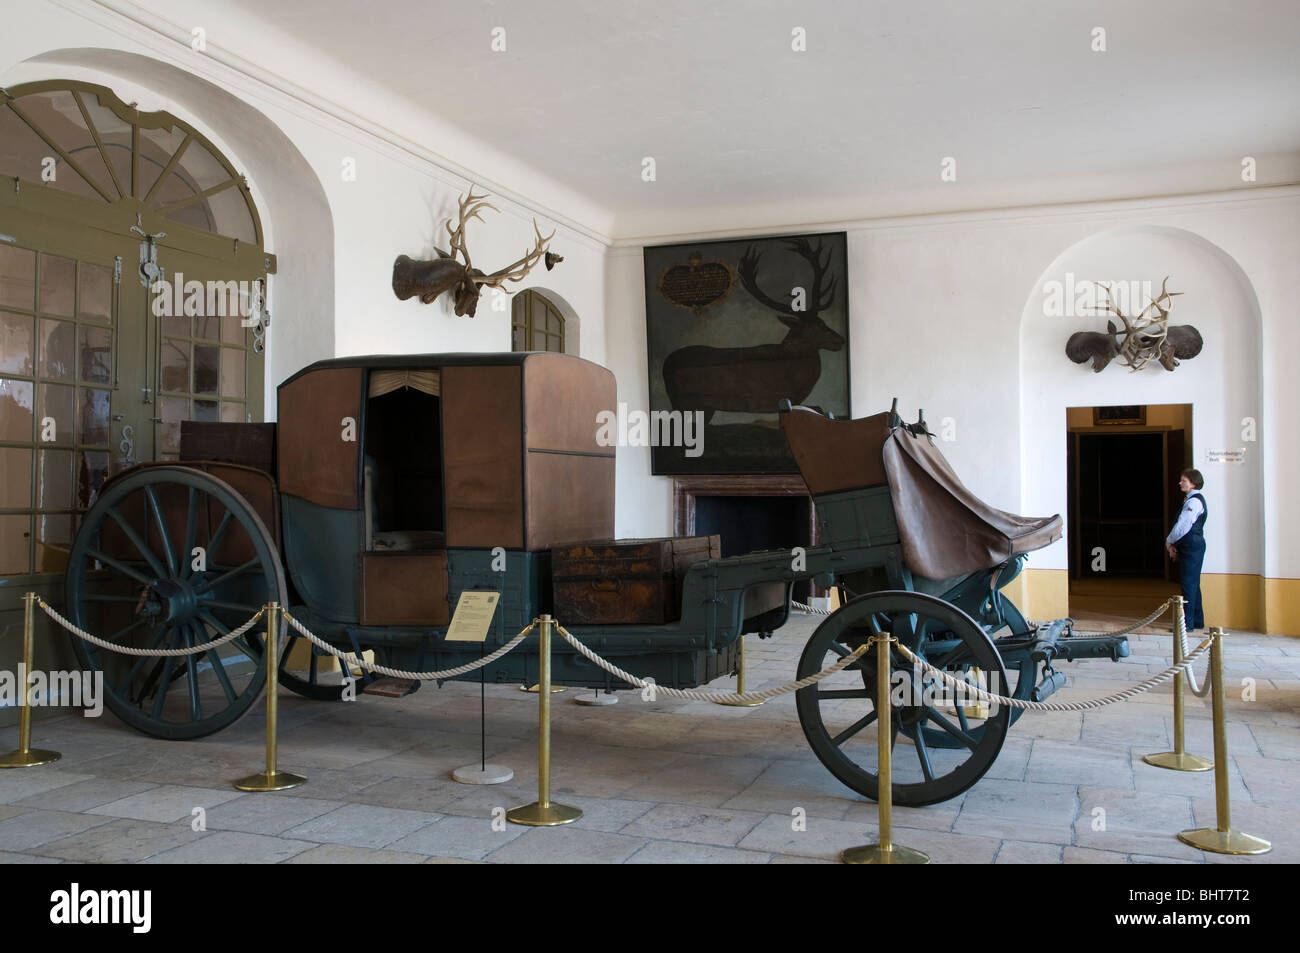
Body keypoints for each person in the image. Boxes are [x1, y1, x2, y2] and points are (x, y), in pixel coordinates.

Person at [1166, 468, 1207, 631]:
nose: (1180, 483)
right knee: (1193, 584)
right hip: (1193, 545)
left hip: (1191, 546)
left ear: (1193, 483)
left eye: (1184, 480)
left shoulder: (1193, 502)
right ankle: (1197, 620)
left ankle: (1186, 624)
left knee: (1188, 584)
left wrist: (1169, 541)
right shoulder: (1191, 500)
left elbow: (1183, 526)